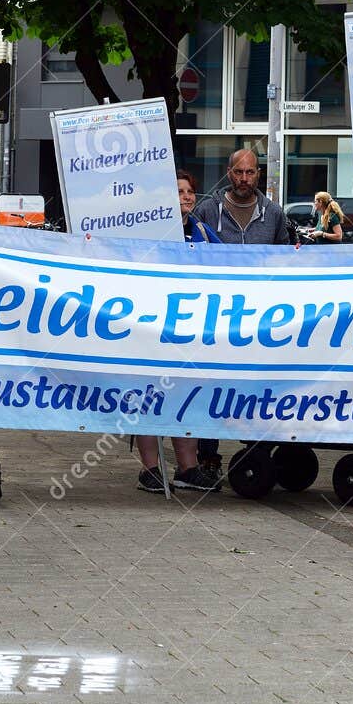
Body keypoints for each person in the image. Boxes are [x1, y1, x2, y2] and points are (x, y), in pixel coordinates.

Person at [189, 147, 293, 479]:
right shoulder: (207, 210)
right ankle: (207, 454)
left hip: (262, 319)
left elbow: (288, 261)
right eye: (238, 172)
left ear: (258, 174)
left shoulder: (274, 214)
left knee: (257, 385)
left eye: (250, 173)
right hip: (217, 318)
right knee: (213, 384)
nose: (244, 179)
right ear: (228, 172)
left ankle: (257, 451)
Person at [137, 172, 222, 493]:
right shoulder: (149, 233)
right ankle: (150, 469)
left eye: (190, 191)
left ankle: (187, 468)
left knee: (185, 394)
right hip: (153, 327)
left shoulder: (202, 230)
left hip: (192, 328)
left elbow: (233, 265)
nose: (186, 197)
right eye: (178, 191)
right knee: (149, 397)